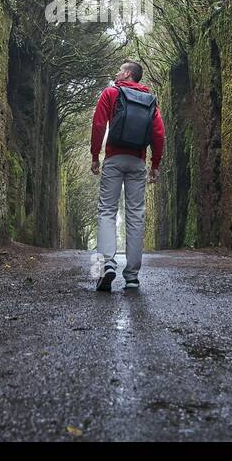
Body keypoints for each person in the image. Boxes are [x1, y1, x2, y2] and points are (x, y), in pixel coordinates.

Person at [90, 60, 164, 291]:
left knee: (107, 211)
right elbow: (159, 134)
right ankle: (132, 276)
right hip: (137, 162)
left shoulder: (111, 93)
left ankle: (107, 265)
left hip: (113, 159)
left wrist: (95, 155)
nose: (116, 72)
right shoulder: (150, 101)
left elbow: (99, 124)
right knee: (135, 215)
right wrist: (155, 164)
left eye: (120, 69)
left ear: (128, 73)